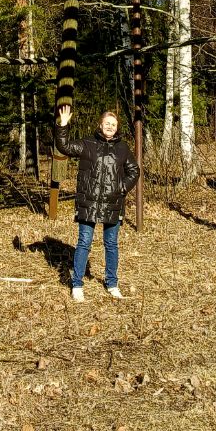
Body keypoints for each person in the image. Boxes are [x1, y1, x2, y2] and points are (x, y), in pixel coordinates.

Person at [53, 106, 140, 302]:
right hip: (88, 203)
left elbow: (134, 171)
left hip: (113, 203)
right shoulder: (87, 143)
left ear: (117, 128)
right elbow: (64, 147)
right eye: (107, 123)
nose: (110, 127)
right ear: (100, 125)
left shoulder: (123, 148)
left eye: (113, 124)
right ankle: (77, 284)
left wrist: (121, 188)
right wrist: (63, 125)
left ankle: (112, 284)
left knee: (111, 244)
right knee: (84, 242)